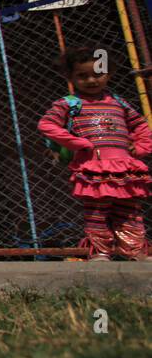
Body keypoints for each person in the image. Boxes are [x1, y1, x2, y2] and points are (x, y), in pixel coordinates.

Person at [38, 47, 152, 260]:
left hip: (124, 169)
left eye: (98, 74)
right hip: (93, 169)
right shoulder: (69, 104)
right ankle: (100, 252)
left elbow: (141, 126)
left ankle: (135, 251)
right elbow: (47, 124)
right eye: (83, 76)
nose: (91, 80)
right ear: (71, 77)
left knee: (130, 212)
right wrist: (78, 143)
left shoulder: (119, 103)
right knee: (97, 213)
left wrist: (140, 148)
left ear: (109, 74)